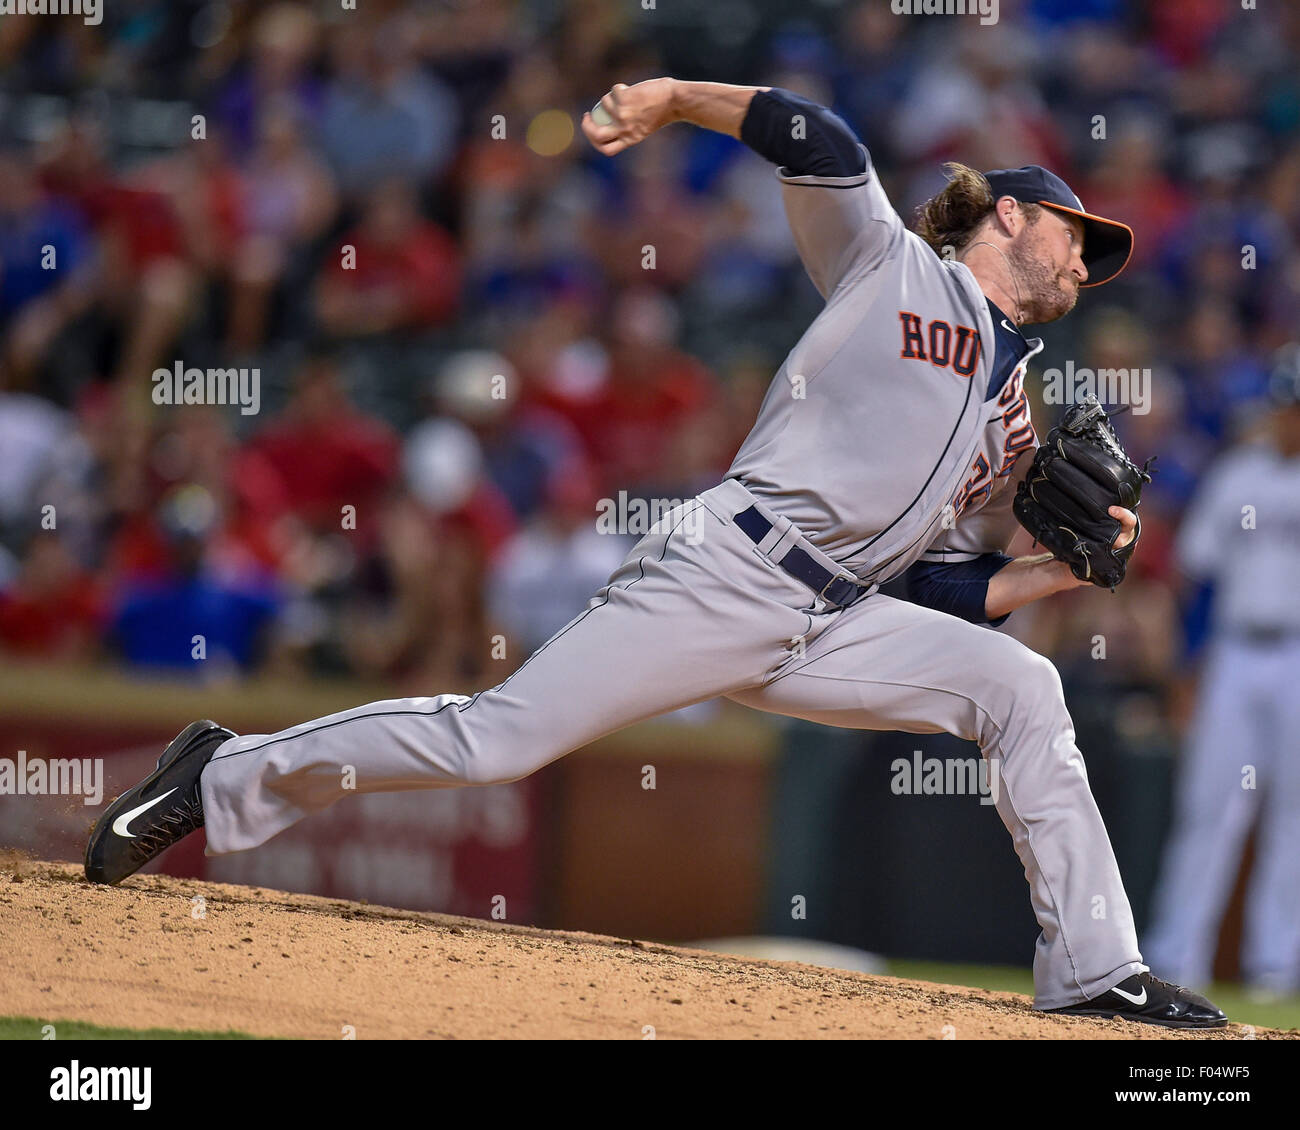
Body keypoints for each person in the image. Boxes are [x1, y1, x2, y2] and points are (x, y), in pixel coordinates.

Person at [85, 79, 1225, 1029]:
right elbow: (819, 140)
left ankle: (1092, 975)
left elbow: (928, 584)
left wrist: (1050, 577)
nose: (1090, 261)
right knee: (497, 741)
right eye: (1079, 235)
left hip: (832, 616)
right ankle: (221, 768)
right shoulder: (894, 268)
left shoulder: (1013, 413)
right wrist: (677, 99)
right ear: (1014, 217)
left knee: (1021, 684)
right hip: (724, 569)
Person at [1141, 345, 1300, 999]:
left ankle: (1275, 968)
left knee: (1294, 816)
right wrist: (1188, 668)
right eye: (1287, 405)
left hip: (1296, 658)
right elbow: (1195, 576)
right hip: (1235, 653)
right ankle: (1175, 958)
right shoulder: (1237, 475)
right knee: (1209, 807)